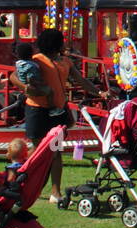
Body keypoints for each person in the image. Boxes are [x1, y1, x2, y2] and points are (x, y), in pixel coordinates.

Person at [21, 28, 101, 204]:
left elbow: (81, 81)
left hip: (57, 110)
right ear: (55, 44)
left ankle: (55, 192)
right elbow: (14, 76)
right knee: (38, 151)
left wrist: (100, 92)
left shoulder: (66, 61)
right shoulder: (36, 61)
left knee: (56, 151)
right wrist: (29, 87)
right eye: (61, 41)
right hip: (37, 110)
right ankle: (25, 185)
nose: (65, 44)